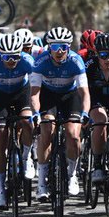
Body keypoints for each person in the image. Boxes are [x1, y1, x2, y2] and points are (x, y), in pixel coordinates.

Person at [29, 26, 90, 200]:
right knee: (46, 132)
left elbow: (84, 93)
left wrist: (85, 112)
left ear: (69, 47)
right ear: (49, 47)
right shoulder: (40, 61)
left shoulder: (76, 61)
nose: (60, 51)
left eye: (63, 47)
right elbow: (34, 93)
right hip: (48, 96)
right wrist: (35, 113)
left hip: (70, 97)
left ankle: (72, 175)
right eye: (55, 47)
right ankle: (42, 182)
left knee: (73, 135)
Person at [0, 32, 37, 208]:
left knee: (27, 121)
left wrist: (36, 111)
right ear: (0, 54)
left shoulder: (28, 61)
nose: (11, 61)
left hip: (21, 93)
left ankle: (26, 157)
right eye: (7, 57)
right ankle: (0, 191)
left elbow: (36, 90)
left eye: (15, 57)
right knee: (0, 138)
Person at [85, 33, 109, 184]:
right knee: (100, 121)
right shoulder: (89, 66)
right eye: (103, 55)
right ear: (96, 54)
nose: (108, 60)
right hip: (96, 99)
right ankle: (98, 165)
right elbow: (81, 89)